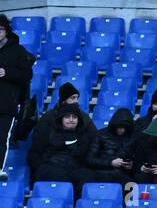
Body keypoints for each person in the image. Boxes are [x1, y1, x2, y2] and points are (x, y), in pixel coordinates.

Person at [30, 106, 93, 197]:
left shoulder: (84, 135)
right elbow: (37, 155)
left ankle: (76, 205)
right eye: (67, 117)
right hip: (52, 167)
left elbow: (86, 156)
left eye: (74, 117)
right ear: (61, 119)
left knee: (88, 176)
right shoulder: (50, 134)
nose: (71, 120)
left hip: (74, 168)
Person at [0, 15, 33, 173]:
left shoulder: (18, 50)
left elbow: (27, 75)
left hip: (7, 103)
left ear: (6, 31)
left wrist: (6, 72)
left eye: (0, 29)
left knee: (1, 137)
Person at [86, 107, 136, 185]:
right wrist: (111, 163)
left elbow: (138, 158)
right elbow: (90, 159)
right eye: (119, 127)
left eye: (125, 128)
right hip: (101, 172)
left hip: (123, 174)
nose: (122, 130)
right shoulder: (101, 135)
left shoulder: (132, 137)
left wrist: (132, 165)